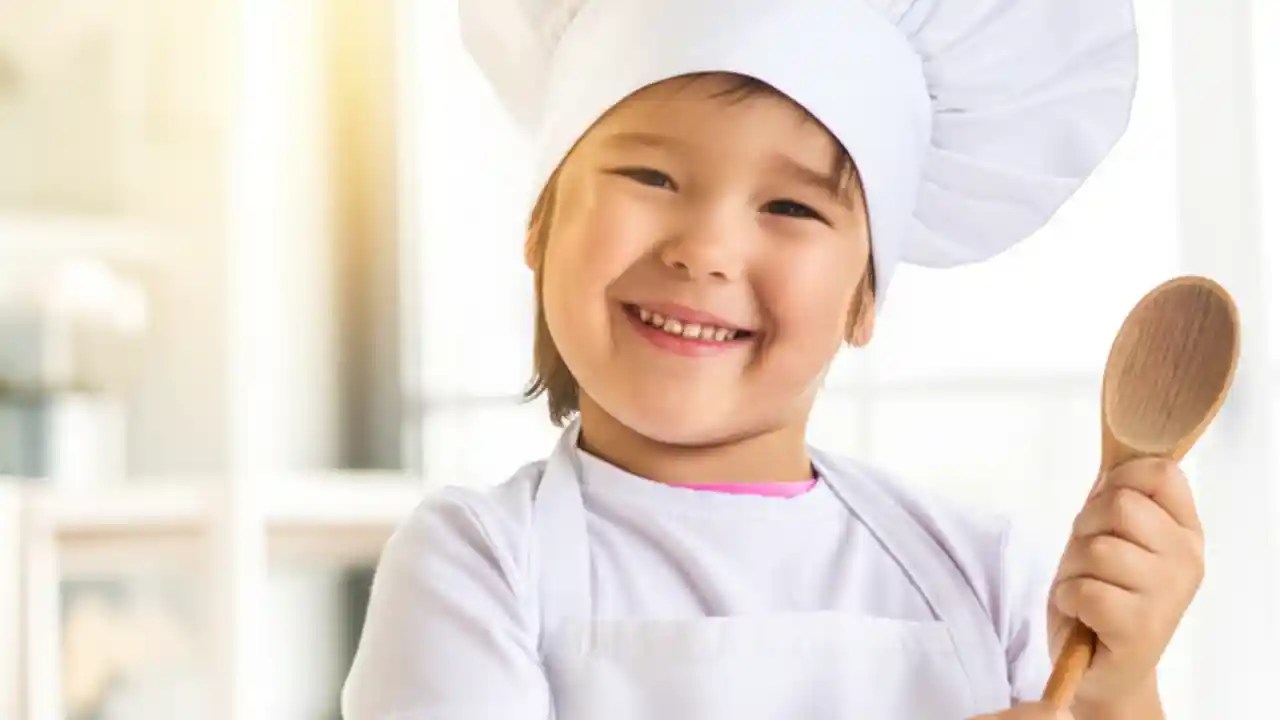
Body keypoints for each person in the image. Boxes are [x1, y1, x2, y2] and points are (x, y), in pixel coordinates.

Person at [342, 0, 1206, 717]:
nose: (708, 250)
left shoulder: (989, 577)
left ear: (865, 299)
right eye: (650, 177)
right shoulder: (478, 564)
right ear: (539, 222)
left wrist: (1117, 691)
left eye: (791, 205)